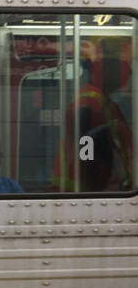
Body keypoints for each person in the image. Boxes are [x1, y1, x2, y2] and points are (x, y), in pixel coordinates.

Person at [49, 47, 134, 193]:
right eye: (121, 77)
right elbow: (85, 144)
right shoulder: (89, 100)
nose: (123, 84)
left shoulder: (100, 99)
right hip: (79, 190)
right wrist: (92, 190)